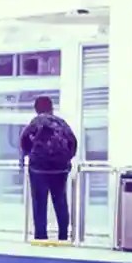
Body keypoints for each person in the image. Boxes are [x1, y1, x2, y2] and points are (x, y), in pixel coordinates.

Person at [19, 95, 77, 242]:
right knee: (60, 201)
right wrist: (66, 160)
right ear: (51, 108)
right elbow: (72, 142)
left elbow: (24, 143)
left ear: (36, 109)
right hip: (60, 170)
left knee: (39, 203)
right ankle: (63, 236)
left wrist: (28, 159)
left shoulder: (35, 123)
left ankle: (41, 236)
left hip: (39, 170)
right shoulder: (61, 123)